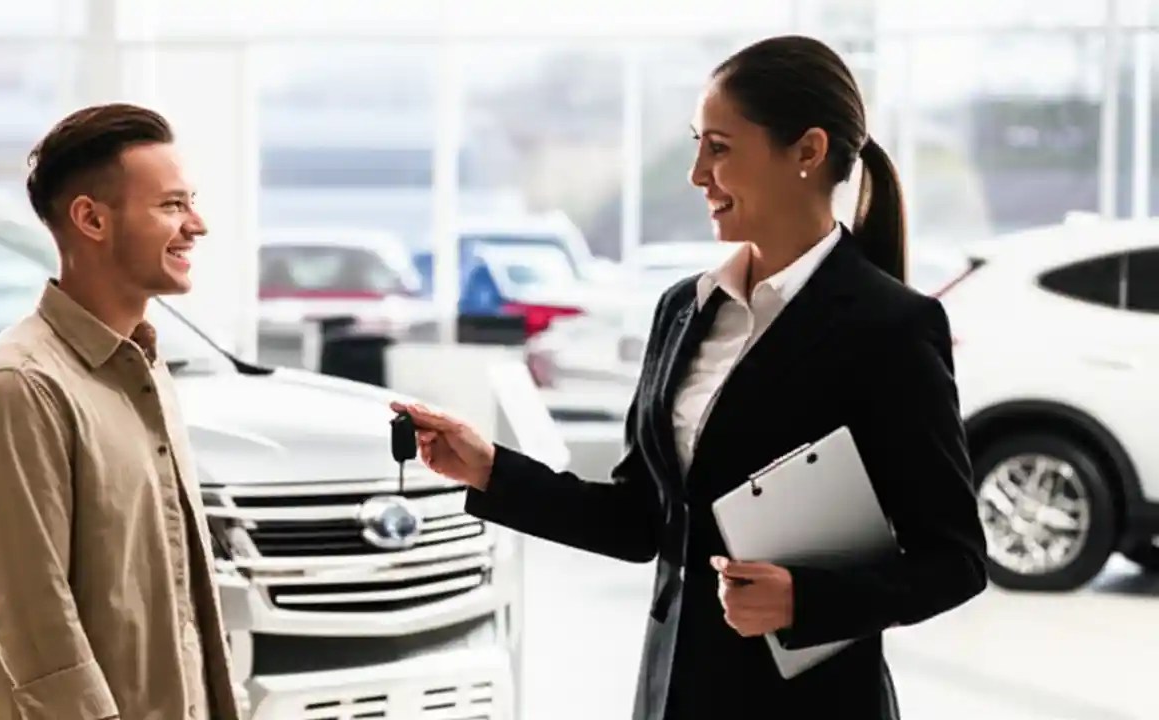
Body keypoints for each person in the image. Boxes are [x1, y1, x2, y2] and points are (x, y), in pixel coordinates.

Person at [392, 35, 988, 719]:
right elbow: (641, 520)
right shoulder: (685, 308)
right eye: (698, 145)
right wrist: (490, 468)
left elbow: (954, 561)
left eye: (720, 147)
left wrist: (805, 602)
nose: (697, 173)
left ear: (807, 152)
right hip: (674, 696)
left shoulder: (891, 327)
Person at [0, 103, 240, 720]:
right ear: (91, 219)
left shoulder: (144, 366)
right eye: (172, 206)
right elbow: (35, 624)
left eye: (191, 201)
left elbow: (180, 597)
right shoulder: (20, 385)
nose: (198, 225)